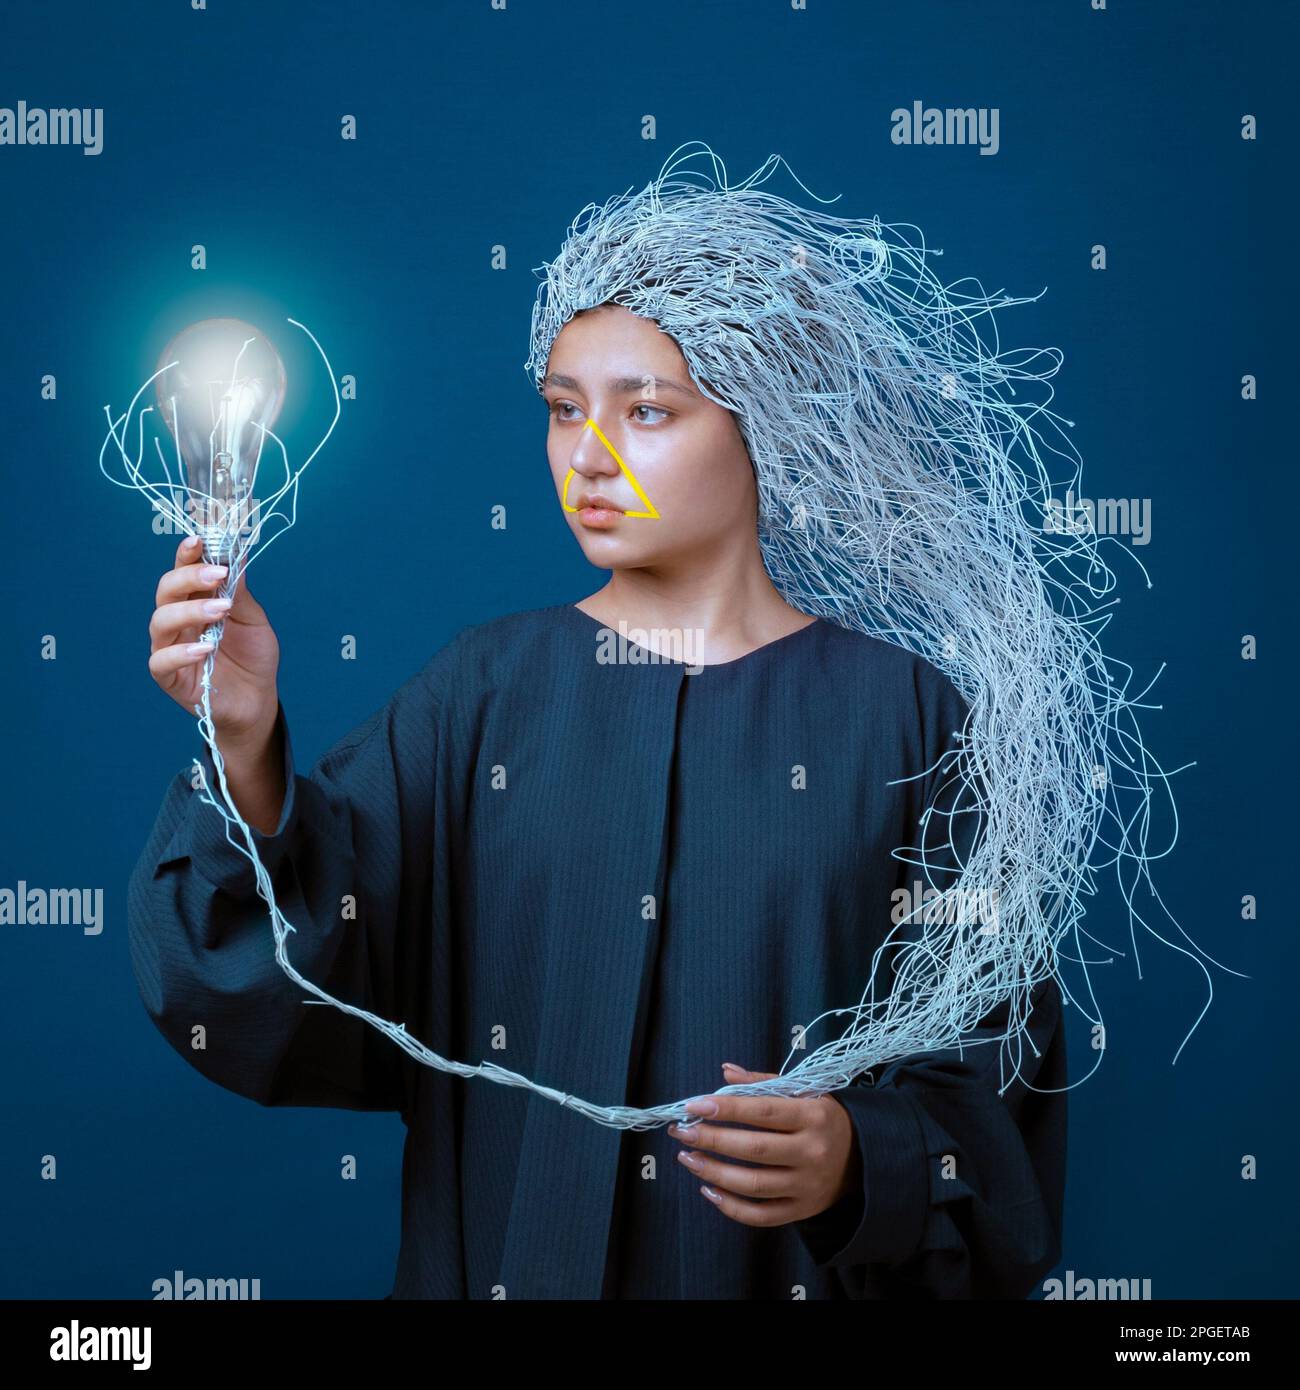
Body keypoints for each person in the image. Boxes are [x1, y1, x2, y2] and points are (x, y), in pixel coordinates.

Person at [128, 148, 1069, 1300]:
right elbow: (298, 975)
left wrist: (859, 1157)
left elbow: (996, 1074)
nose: (588, 454)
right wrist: (246, 744)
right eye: (563, 408)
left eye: (648, 409)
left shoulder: (905, 717)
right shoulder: (480, 694)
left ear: (762, 422)